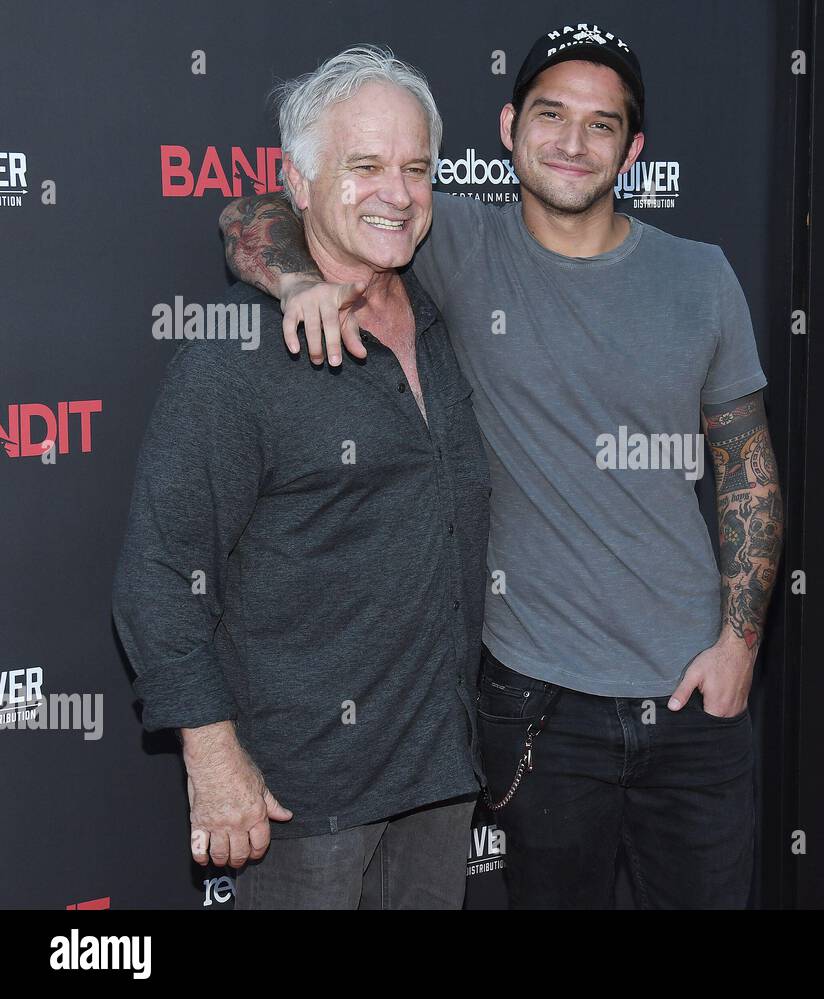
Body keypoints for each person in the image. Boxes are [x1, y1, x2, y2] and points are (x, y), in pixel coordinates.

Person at [219, 28, 782, 909]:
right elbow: (257, 213)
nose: (572, 142)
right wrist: (295, 282)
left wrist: (740, 648)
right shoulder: (451, 242)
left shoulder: (700, 278)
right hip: (537, 709)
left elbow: (748, 470)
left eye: (602, 126)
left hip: (692, 702)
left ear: (632, 151)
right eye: (552, 115)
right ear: (511, 126)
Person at [113, 48, 487, 909]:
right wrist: (212, 762)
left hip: (438, 775)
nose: (397, 191)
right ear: (301, 183)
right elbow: (157, 576)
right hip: (302, 804)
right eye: (364, 167)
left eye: (416, 168)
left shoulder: (444, 312)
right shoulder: (237, 359)